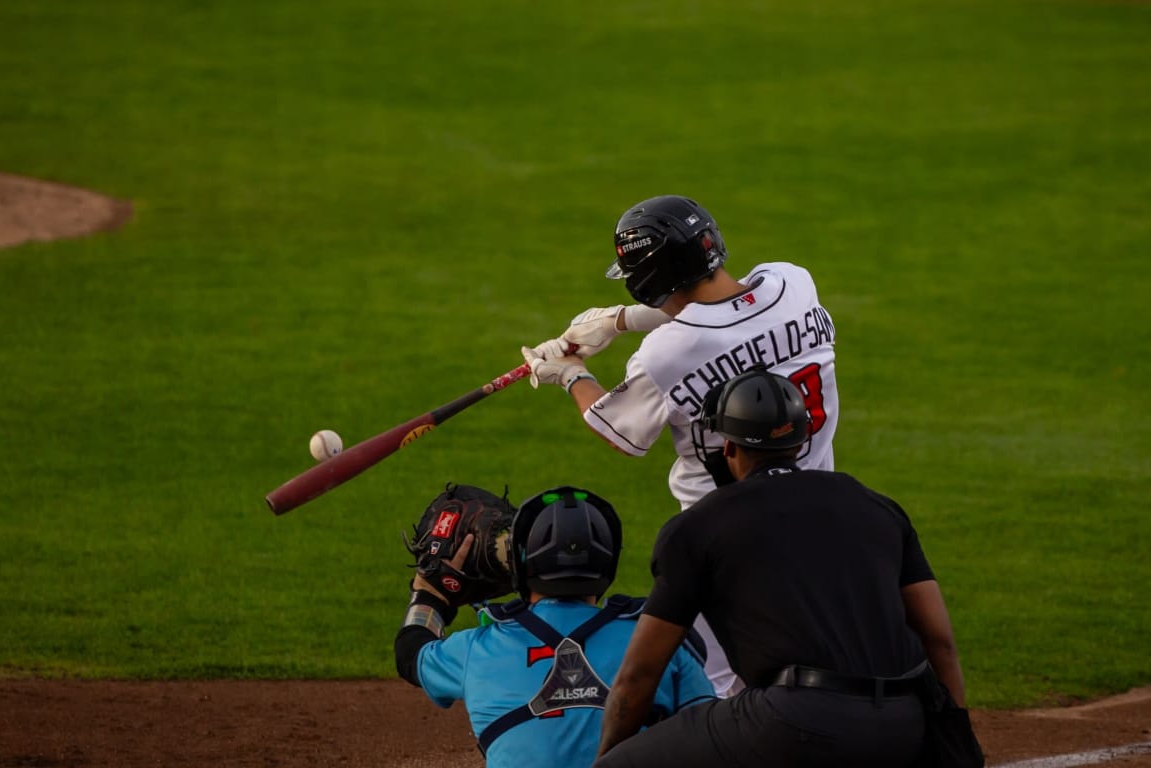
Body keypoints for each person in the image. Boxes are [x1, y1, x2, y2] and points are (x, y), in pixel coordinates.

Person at [520, 194, 841, 695]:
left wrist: (570, 373)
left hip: (726, 539)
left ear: (647, 278)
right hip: (824, 512)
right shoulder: (793, 283)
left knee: (709, 688)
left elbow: (618, 431)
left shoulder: (667, 354)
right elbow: (734, 309)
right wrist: (621, 320)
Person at [592, 369, 972, 767]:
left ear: (729, 448)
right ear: (800, 438)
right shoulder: (876, 506)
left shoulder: (699, 526)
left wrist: (606, 761)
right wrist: (955, 740)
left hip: (797, 724)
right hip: (902, 722)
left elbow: (639, 673)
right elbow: (939, 640)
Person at [394, 484, 715, 768]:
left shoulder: (477, 649)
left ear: (522, 565)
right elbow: (707, 734)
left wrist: (430, 592)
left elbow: (411, 653)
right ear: (608, 561)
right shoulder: (656, 640)